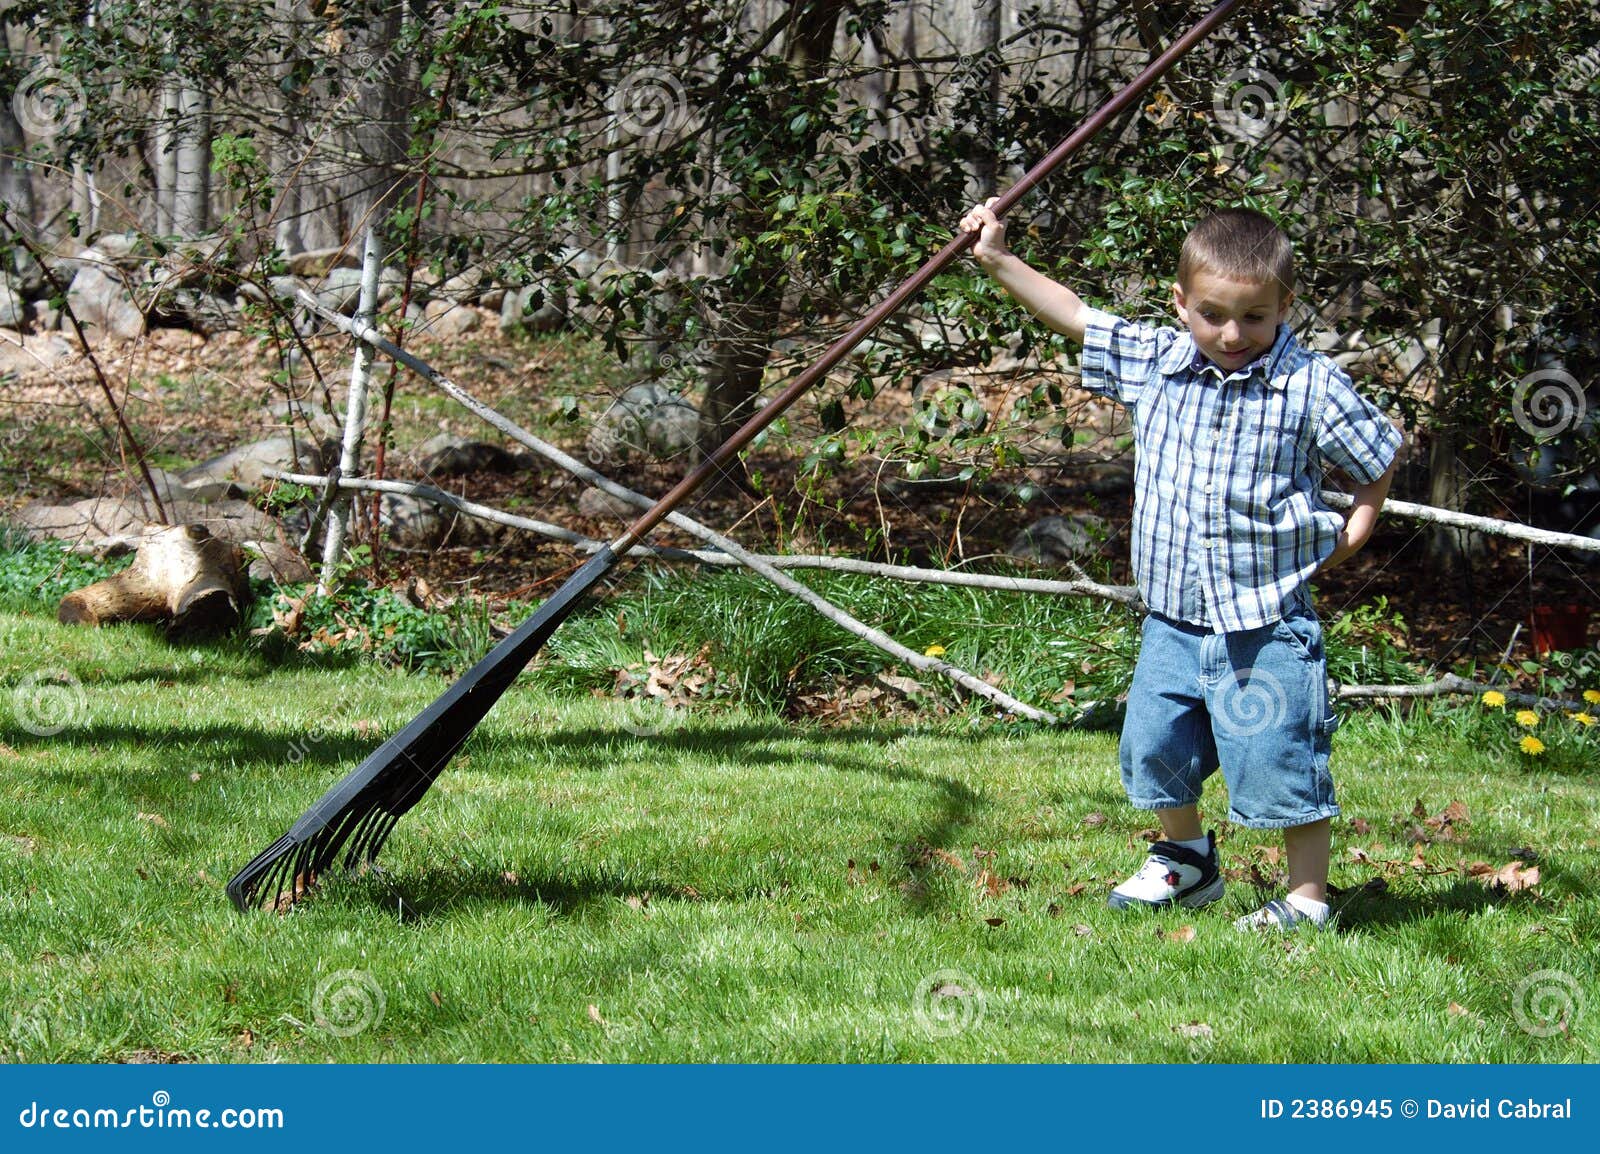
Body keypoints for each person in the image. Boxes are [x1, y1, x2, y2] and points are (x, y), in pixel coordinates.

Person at [958, 201, 1401, 931]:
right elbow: (1075, 315)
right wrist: (999, 258)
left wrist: (1356, 528)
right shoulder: (1156, 362)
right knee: (1154, 745)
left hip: (1265, 619)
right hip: (1171, 615)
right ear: (1180, 302)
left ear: (1284, 306)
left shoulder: (1310, 385)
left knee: (1278, 755)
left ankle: (1307, 899)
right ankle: (1188, 860)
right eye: (1213, 314)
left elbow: (1377, 454)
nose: (1232, 334)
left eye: (1255, 317)